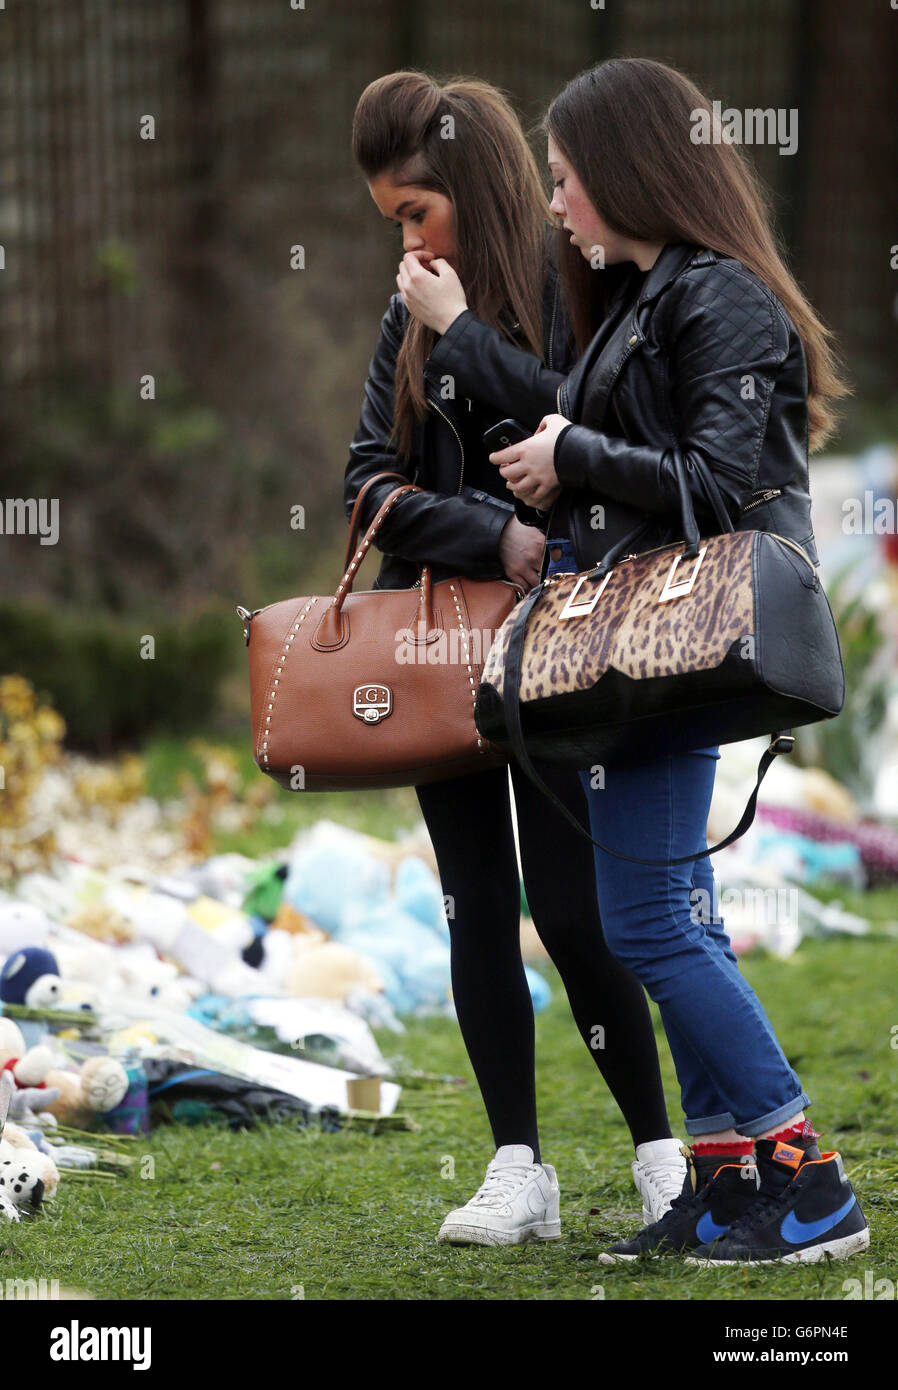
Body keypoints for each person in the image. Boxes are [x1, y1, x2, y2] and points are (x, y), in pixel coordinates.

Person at [481, 58, 869, 1265]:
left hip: (679, 643)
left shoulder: (723, 297)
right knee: (674, 914)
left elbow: (717, 487)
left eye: (564, 179)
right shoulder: (644, 296)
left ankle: (809, 1182)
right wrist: (559, 450)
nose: (554, 204)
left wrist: (575, 454)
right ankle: (723, 1178)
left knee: (645, 923)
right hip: (633, 657)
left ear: (634, 165)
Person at [344, 70, 687, 1247]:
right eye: (392, 219)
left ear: (471, 187)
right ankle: (516, 1167)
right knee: (473, 904)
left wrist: (461, 338)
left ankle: (660, 1152)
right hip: (443, 644)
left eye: (414, 211)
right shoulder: (407, 309)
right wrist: (493, 532)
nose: (404, 239)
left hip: (562, 648)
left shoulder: (573, 283)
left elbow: (591, 428)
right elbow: (366, 485)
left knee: (578, 908)